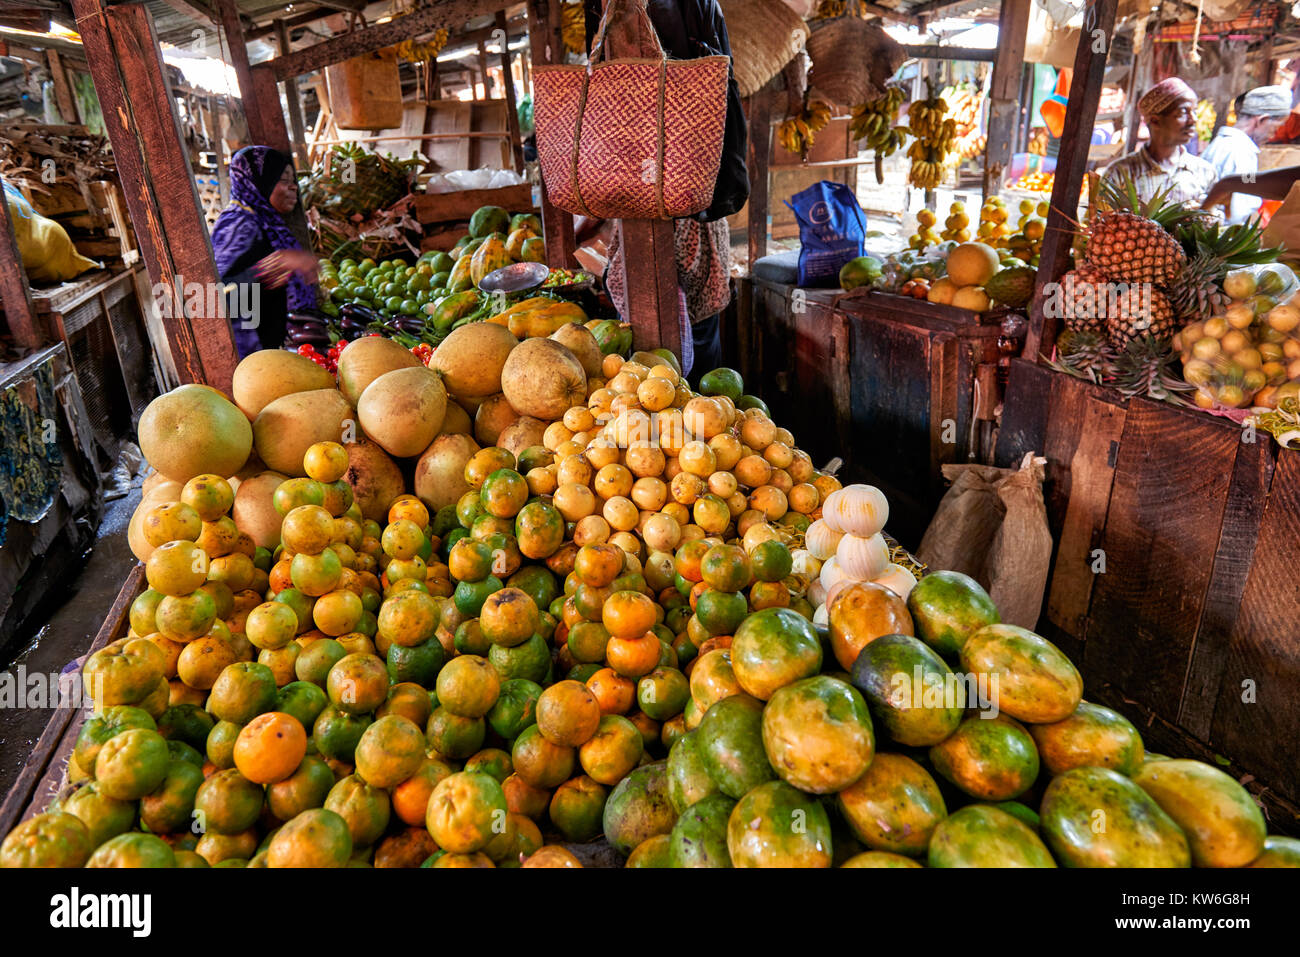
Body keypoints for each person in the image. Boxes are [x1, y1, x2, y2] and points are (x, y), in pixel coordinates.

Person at [604, 0, 748, 382]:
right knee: (698, 339)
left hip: (682, 198)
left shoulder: (668, 13)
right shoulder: (702, 12)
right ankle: (705, 410)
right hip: (694, 192)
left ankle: (704, 416)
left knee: (691, 343)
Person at [210, 145, 318, 358]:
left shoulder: (267, 221)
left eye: (293, 180)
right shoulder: (237, 224)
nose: (293, 187)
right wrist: (273, 266)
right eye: (284, 180)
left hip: (274, 348)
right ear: (259, 183)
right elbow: (216, 295)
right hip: (249, 356)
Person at [1101, 78, 1217, 206]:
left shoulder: (1205, 172)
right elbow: (1098, 222)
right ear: (1155, 121)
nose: (1193, 120)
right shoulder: (1119, 174)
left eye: (1194, 111)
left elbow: (1217, 219)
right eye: (1183, 112)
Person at [1201, 86, 1292, 223]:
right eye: (1275, 128)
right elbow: (1236, 215)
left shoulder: (1222, 144)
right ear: (1262, 120)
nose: (1273, 136)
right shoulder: (1239, 151)